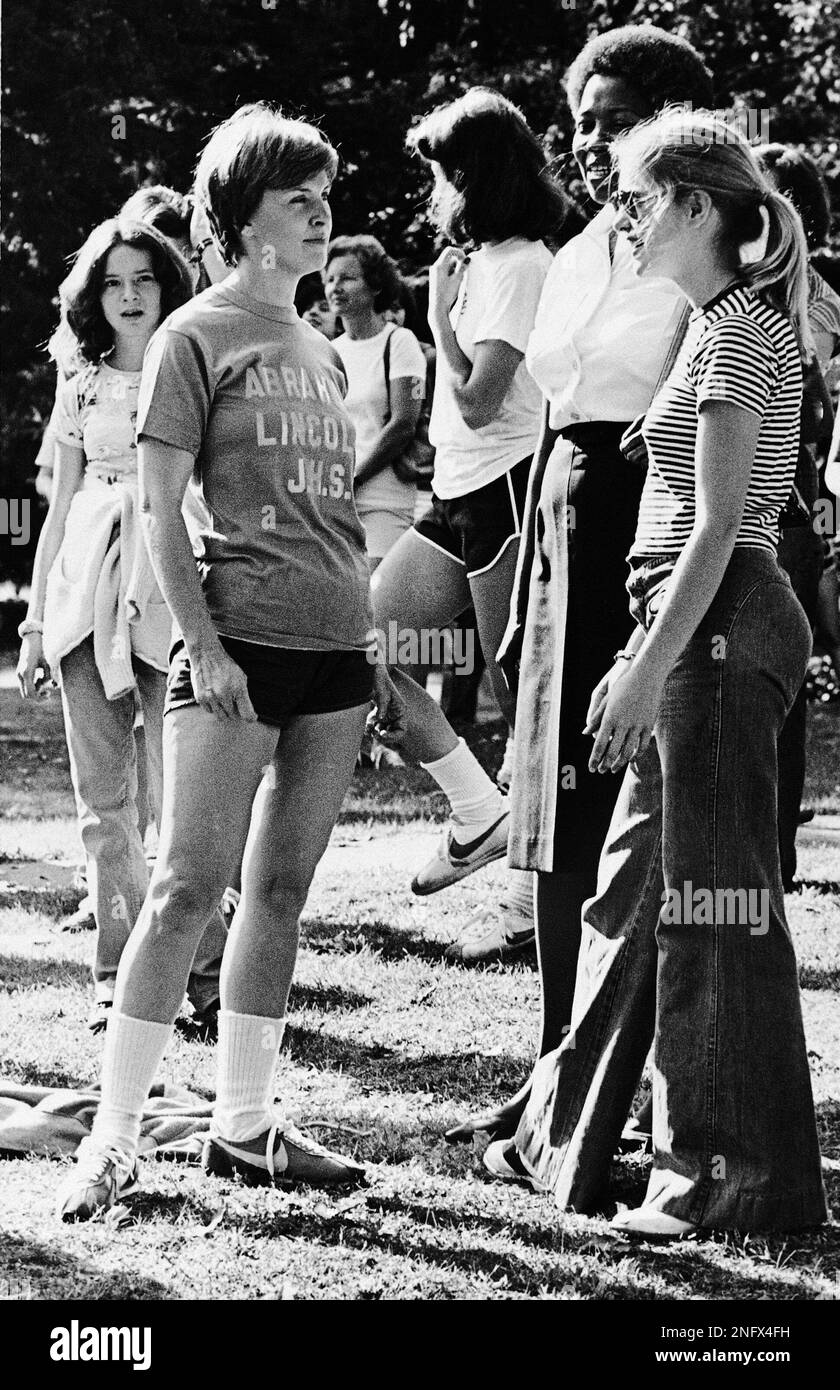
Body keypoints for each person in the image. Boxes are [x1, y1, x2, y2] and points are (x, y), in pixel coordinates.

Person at [56, 102, 403, 1221]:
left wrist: (370, 638)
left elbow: (336, 513)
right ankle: (110, 1143)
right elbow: (158, 507)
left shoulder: (320, 346)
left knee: (282, 893)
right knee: (184, 887)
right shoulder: (192, 334)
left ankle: (244, 1128)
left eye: (324, 195)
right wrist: (201, 648)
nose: (320, 215)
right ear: (240, 217)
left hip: (334, 653)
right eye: (295, 199)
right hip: (235, 648)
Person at [485, 108, 827, 1237]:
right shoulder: (716, 321)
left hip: (717, 622)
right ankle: (563, 1144)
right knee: (630, 896)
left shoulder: (733, 335)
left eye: (636, 201)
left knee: (712, 910)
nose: (621, 221)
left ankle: (726, 1178)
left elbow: (723, 523)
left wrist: (641, 666)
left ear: (691, 205)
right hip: (691, 623)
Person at [447, 25, 714, 1142]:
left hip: (649, 503)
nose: (589, 141)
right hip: (559, 501)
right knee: (553, 809)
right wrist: (526, 568)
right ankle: (551, 1061)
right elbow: (551, 399)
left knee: (626, 803)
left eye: (612, 119)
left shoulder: (711, 243)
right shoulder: (583, 245)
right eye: (583, 120)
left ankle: (621, 1081)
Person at [370, 87, 566, 964]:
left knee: (523, 690)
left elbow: (482, 402)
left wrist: (438, 328)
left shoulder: (523, 262)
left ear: (478, 175)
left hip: (508, 486)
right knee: (366, 646)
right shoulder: (480, 261)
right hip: (453, 493)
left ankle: (527, 905)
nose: (437, 193)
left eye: (447, 174)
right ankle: (477, 807)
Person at [17, 217, 226, 1032]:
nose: (129, 295)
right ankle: (118, 974)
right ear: (92, 296)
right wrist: (37, 620)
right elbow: (59, 506)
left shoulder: (193, 365)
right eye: (112, 282)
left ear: (167, 284)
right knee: (104, 802)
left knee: (181, 796)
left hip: (170, 581)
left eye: (143, 278)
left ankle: (201, 973)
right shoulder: (80, 383)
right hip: (85, 588)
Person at [758, 144, 840, 887]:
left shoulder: (818, 299)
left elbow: (819, 410)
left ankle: (775, 853)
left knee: (778, 678)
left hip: (791, 504)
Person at [326, 235, 427, 568]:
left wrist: (353, 479)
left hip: (384, 498)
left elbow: (403, 423)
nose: (335, 287)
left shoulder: (400, 342)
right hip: (334, 501)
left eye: (347, 278)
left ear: (376, 286)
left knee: (378, 606)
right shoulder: (330, 351)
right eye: (330, 279)